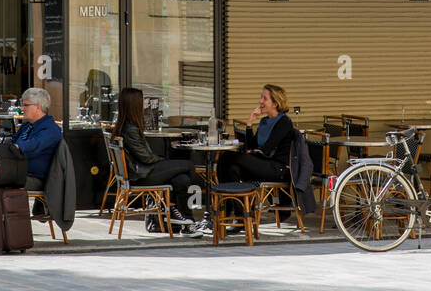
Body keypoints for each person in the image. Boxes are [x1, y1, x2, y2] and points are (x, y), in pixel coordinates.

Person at [112, 87, 198, 226]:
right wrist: (164, 161)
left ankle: (184, 218)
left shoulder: (127, 125)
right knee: (188, 165)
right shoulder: (131, 129)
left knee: (181, 179)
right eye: (142, 101)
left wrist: (164, 162)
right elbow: (146, 158)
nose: (144, 104)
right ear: (134, 105)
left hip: (141, 171)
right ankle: (180, 210)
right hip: (142, 175)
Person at [0, 87, 62, 190]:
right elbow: (12, 143)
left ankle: (12, 206)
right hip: (16, 172)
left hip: (35, 178)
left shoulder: (50, 129)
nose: (21, 109)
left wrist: (13, 147)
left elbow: (29, 146)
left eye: (25, 105)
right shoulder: (27, 125)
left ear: (38, 107)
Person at [217, 84, 295, 186]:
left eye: (265, 99)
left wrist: (251, 154)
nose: (260, 101)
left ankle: (226, 196)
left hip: (277, 168)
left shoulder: (284, 122)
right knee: (233, 169)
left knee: (226, 156)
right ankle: (233, 201)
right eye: (261, 97)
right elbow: (251, 146)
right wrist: (250, 123)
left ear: (275, 104)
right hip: (263, 162)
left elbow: (267, 149)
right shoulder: (265, 121)